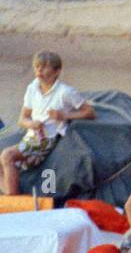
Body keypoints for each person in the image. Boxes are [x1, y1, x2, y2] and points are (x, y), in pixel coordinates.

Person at [2, 50, 97, 195]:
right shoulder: (32, 88)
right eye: (37, 67)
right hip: (31, 136)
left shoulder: (65, 92)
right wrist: (31, 124)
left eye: (45, 67)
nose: (40, 70)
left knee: (7, 155)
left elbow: (89, 112)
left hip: (47, 140)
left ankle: (12, 197)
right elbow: (22, 119)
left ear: (57, 71)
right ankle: (12, 195)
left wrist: (64, 115)